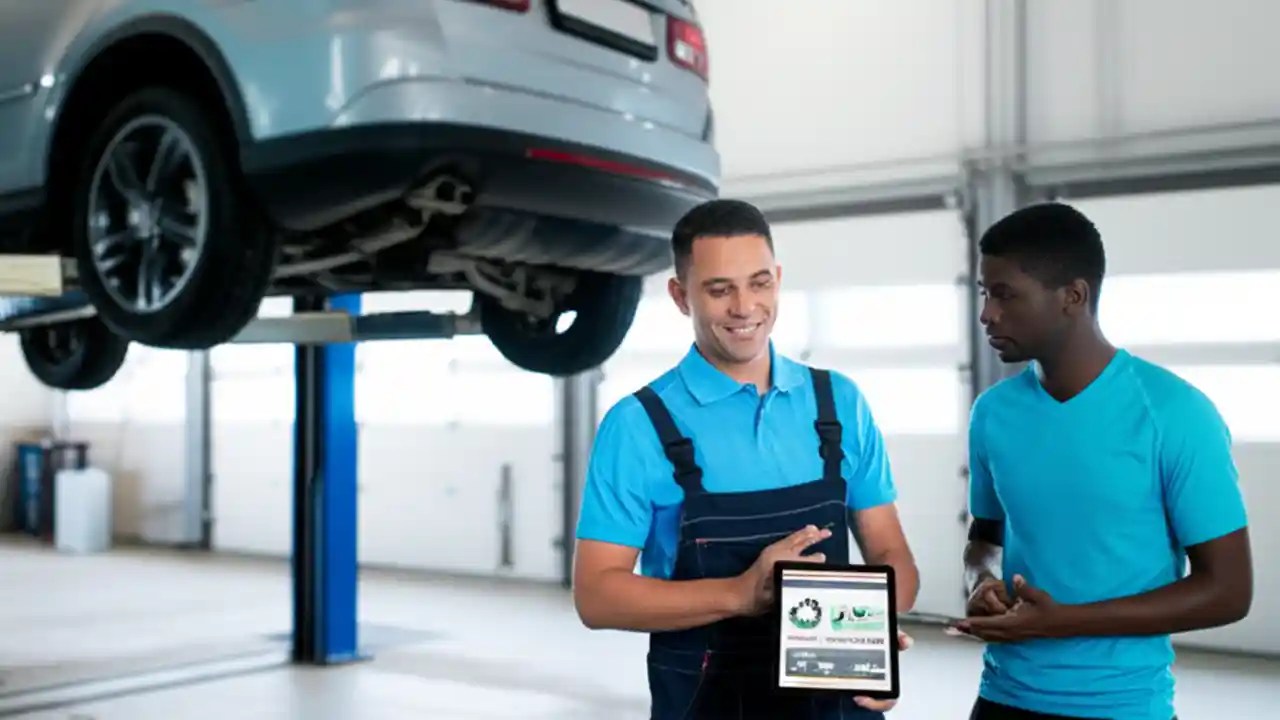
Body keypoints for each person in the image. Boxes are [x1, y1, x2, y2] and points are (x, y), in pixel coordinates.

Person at [571, 198, 920, 719]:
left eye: (759, 282)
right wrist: (739, 593)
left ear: (777, 279)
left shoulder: (839, 404)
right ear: (680, 296)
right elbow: (597, 596)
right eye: (719, 289)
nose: (744, 307)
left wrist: (865, 643)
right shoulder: (639, 424)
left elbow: (896, 560)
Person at [954, 202, 1254, 720]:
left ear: (1073, 296)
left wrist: (1061, 621)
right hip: (1002, 699)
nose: (986, 314)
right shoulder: (993, 413)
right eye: (984, 293)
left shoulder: (1175, 413)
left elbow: (1228, 591)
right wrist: (982, 581)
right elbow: (986, 536)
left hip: (1123, 707)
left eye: (1004, 295)